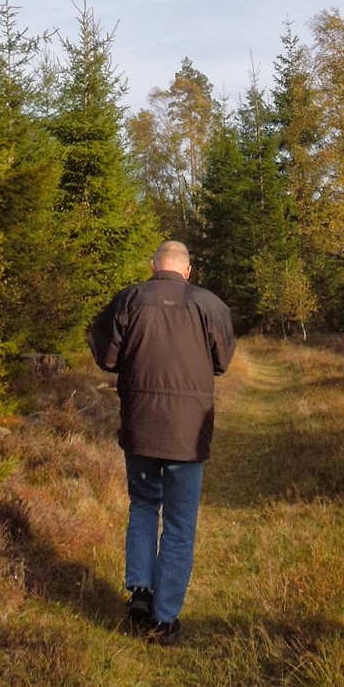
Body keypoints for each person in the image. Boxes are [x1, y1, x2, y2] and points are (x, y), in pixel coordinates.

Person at [87, 240, 236, 645]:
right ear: (187, 271)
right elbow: (222, 361)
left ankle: (140, 590)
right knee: (179, 524)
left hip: (140, 425)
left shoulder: (130, 299)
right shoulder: (210, 306)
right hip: (188, 434)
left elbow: (106, 355)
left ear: (154, 266)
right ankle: (165, 619)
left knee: (143, 505)